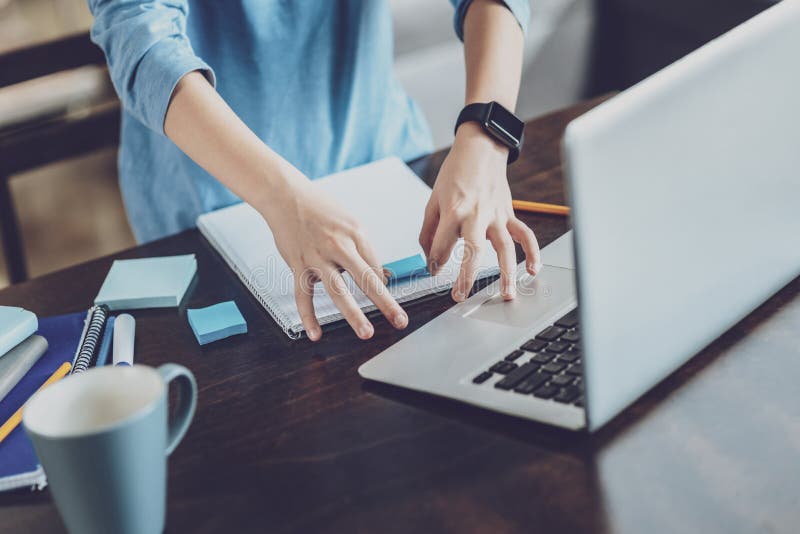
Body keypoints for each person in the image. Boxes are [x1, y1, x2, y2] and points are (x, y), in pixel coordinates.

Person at [88, 0, 541, 341]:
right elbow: (142, 42)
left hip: (384, 163)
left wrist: (487, 134)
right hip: (210, 199)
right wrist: (280, 197)